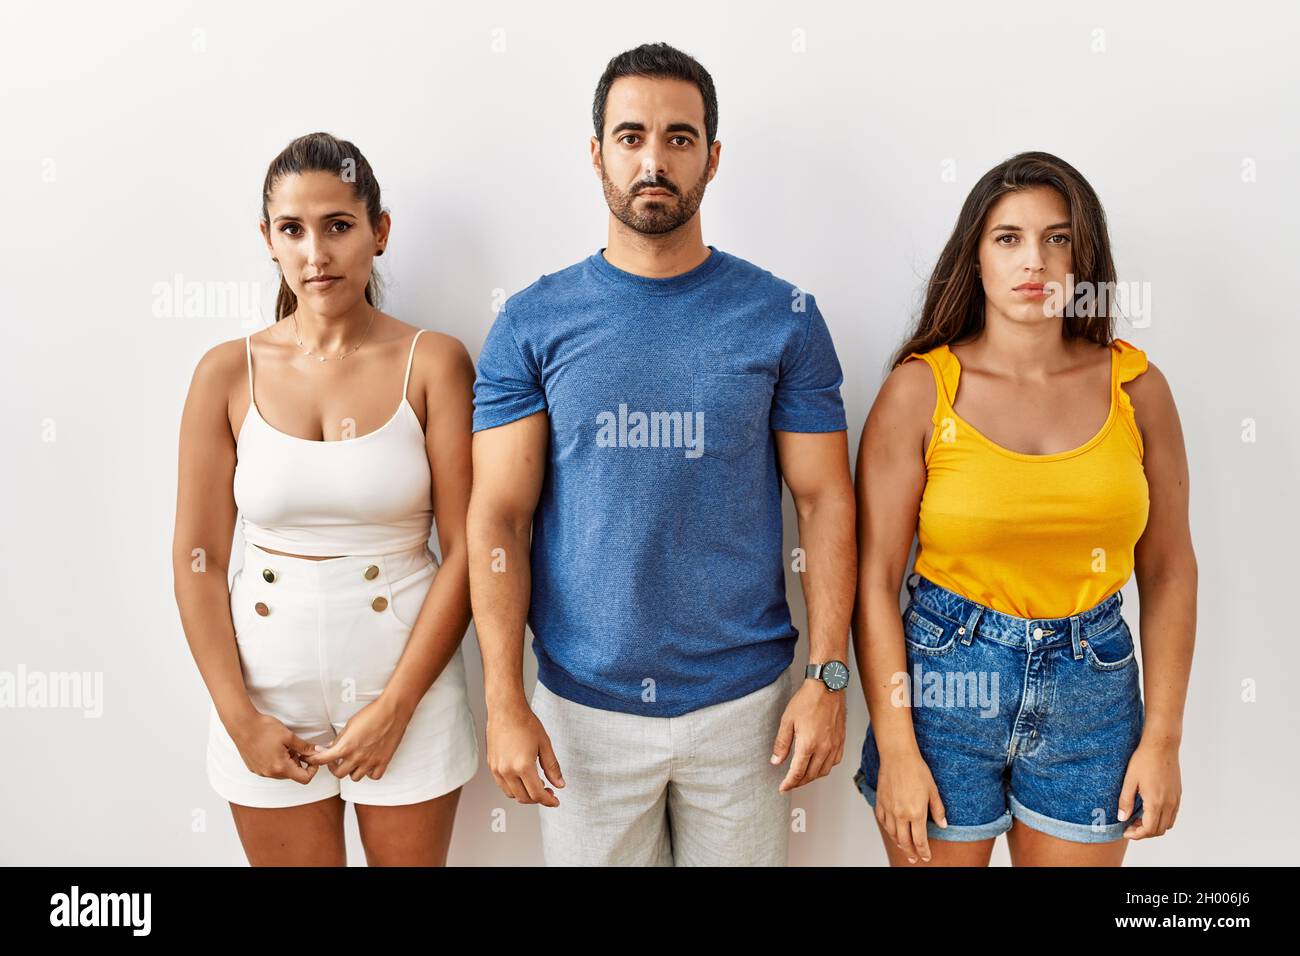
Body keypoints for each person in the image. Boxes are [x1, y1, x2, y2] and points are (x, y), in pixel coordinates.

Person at [467, 42, 857, 866]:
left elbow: (824, 501)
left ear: (712, 158)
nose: (654, 159)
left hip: (745, 706)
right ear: (597, 152)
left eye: (680, 139)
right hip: (582, 713)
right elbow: (498, 516)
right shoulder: (533, 323)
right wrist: (504, 699)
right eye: (631, 135)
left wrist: (827, 678)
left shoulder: (782, 317)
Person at [852, 151, 1196, 866]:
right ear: (975, 257)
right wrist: (896, 745)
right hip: (943, 686)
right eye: (1007, 238)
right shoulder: (920, 392)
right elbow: (875, 581)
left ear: (1084, 258)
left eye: (1057, 238)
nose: (1032, 261)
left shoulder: (1138, 388)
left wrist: (1161, 738)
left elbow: (1167, 569)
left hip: (1092, 691)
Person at [172, 132, 478, 865]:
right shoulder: (225, 372)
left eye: (339, 225)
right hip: (263, 692)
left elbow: (473, 549)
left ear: (379, 231)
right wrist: (237, 717)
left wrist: (396, 708)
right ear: (268, 240)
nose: (317, 253)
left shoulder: (434, 361)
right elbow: (198, 560)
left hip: (408, 685)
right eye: (293, 229)